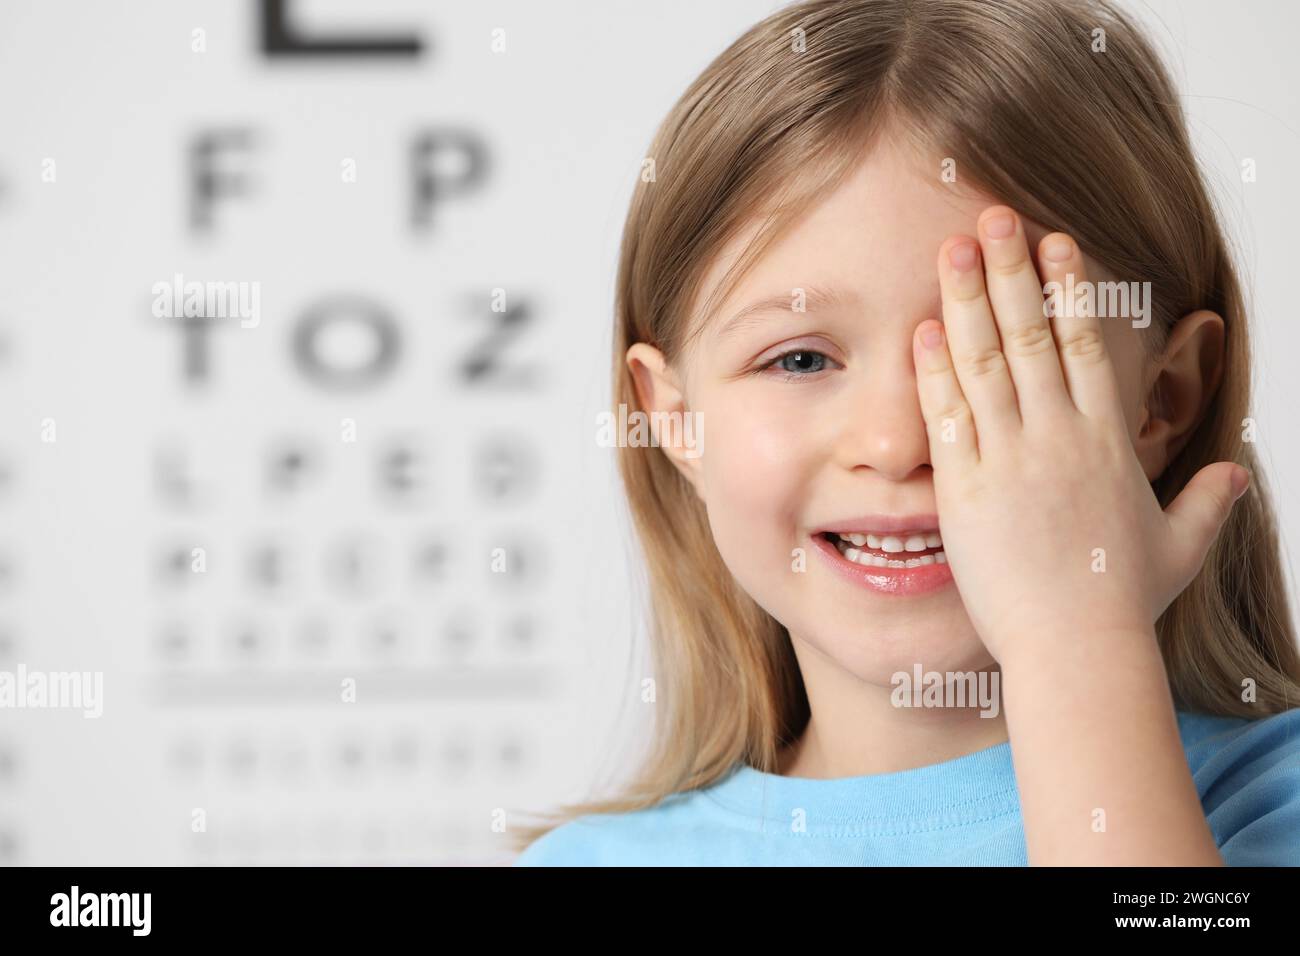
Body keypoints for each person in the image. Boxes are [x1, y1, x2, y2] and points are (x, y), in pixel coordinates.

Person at [512, 0, 1300, 865]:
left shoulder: (1268, 801)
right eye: (800, 361)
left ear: (1165, 400)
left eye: (990, 349)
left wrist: (1074, 639)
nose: (895, 445)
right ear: (674, 419)